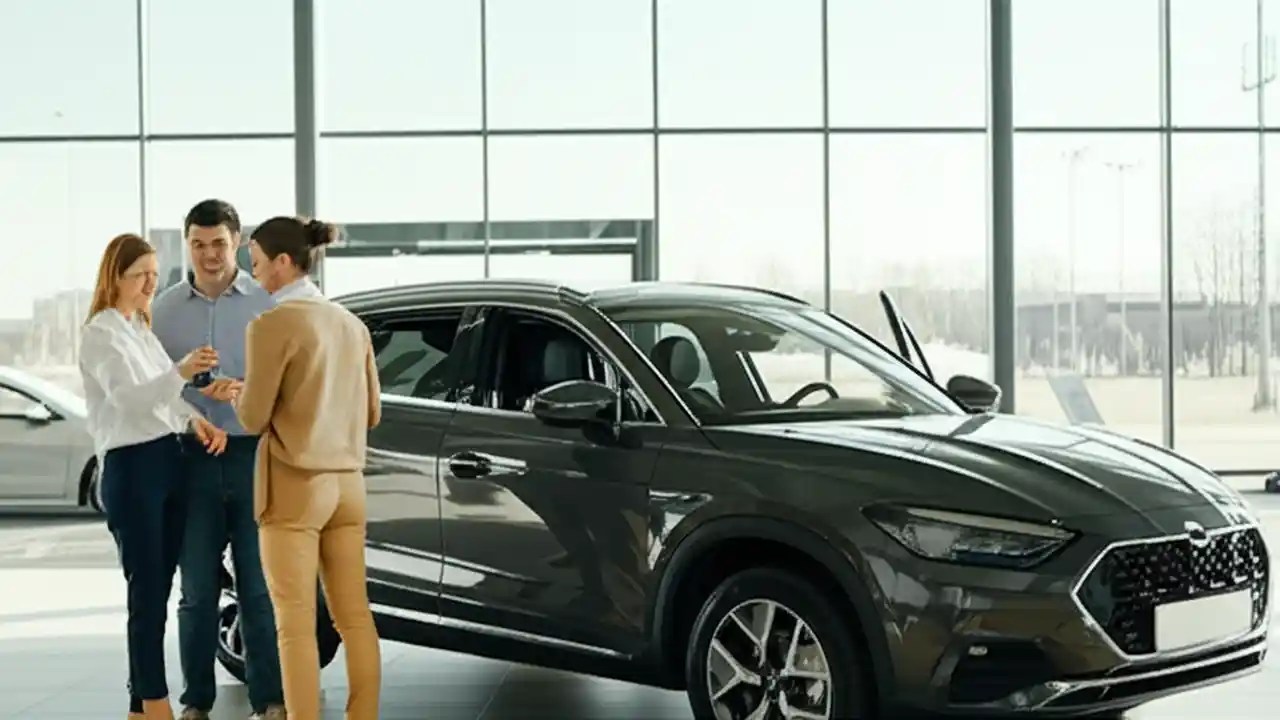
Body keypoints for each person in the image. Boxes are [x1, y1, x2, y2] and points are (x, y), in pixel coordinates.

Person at [203, 216, 382, 719]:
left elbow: (254, 418)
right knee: (355, 619)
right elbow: (372, 412)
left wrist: (238, 391)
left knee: (296, 624)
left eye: (255, 259)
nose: (250, 269)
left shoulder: (270, 324)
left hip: (294, 487)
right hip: (348, 486)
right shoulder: (352, 324)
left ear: (283, 262)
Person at [78, 233, 228, 720]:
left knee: (159, 591)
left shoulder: (139, 329)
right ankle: (155, 703)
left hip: (166, 459)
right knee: (146, 592)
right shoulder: (100, 333)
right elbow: (130, 400)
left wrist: (194, 418)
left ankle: (139, 707)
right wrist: (181, 372)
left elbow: (164, 398)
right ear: (114, 278)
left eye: (153, 272)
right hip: (132, 468)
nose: (150, 283)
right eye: (139, 274)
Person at [150, 200, 285, 720]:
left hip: (253, 455)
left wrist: (248, 392)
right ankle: (195, 703)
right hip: (192, 459)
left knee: (257, 586)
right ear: (188, 244)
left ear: (238, 243)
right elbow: (156, 391)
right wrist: (191, 402)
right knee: (197, 590)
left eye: (219, 244)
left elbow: (286, 384)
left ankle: (269, 700)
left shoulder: (266, 306)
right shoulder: (162, 312)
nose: (209, 255)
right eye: (199, 244)